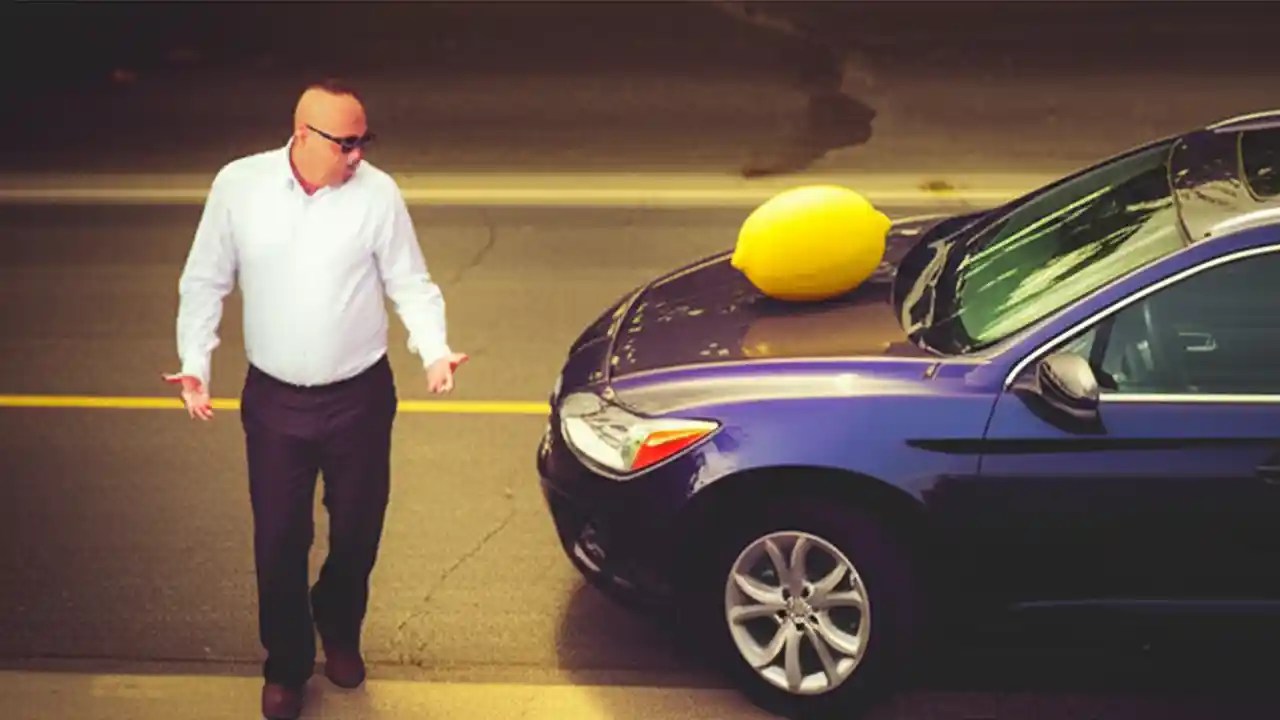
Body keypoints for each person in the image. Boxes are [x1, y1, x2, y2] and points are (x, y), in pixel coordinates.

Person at [165, 78, 467, 720]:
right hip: (275, 404)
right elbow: (204, 281)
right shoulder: (238, 188)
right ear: (302, 135)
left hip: (359, 397)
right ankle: (287, 665)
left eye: (364, 142)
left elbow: (411, 284)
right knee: (279, 540)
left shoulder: (378, 195)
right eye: (346, 144)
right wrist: (196, 360)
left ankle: (337, 619)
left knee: (358, 531)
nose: (358, 156)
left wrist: (433, 349)